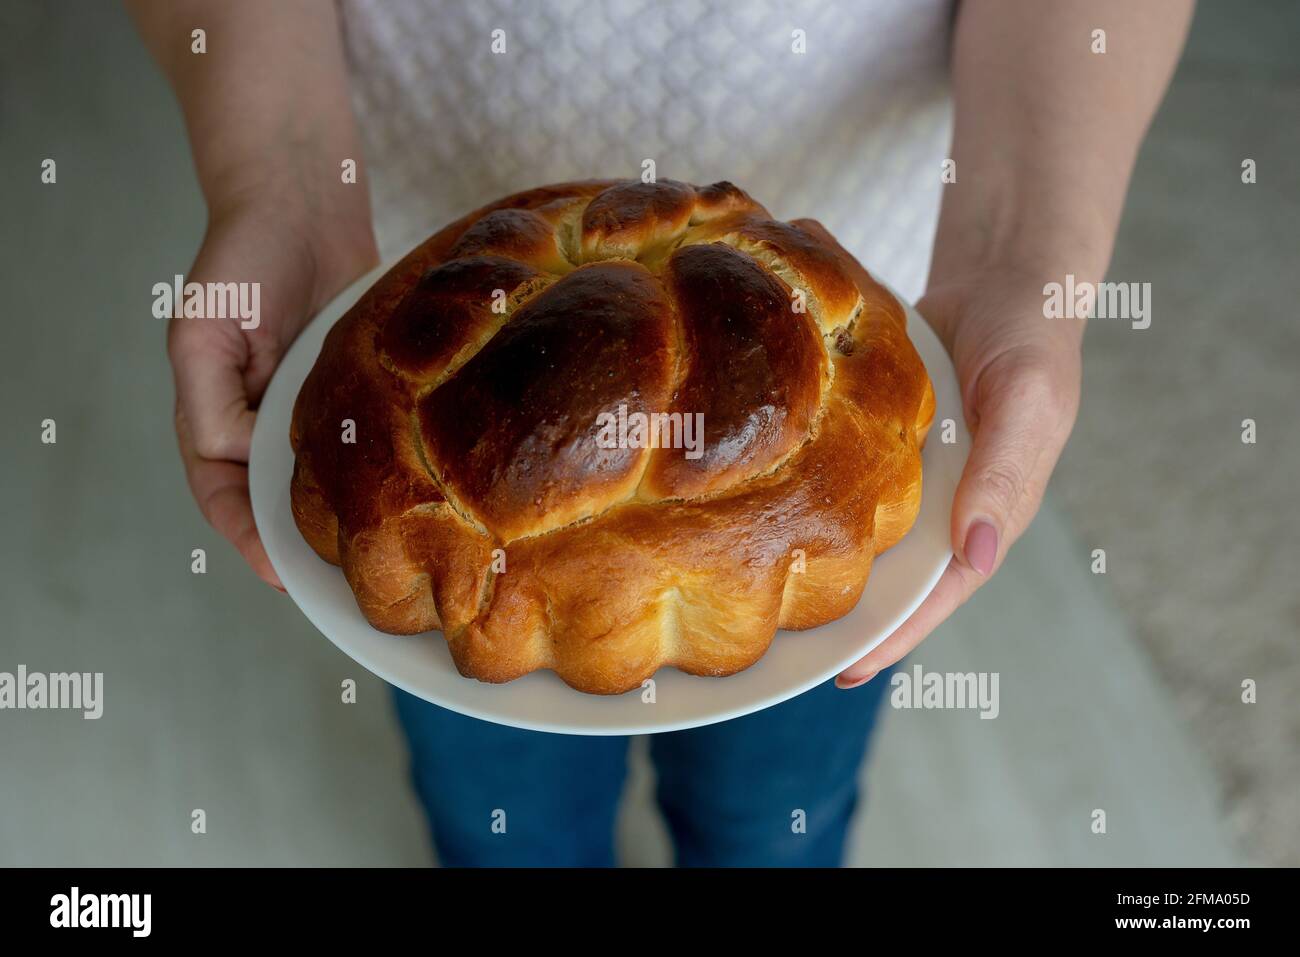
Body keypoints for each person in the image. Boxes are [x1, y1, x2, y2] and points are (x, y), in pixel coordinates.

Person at [129, 0, 1192, 866]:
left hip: (836, 308)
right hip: (413, 253)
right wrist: (281, 179)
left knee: (775, 819)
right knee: (502, 827)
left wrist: (1021, 252)